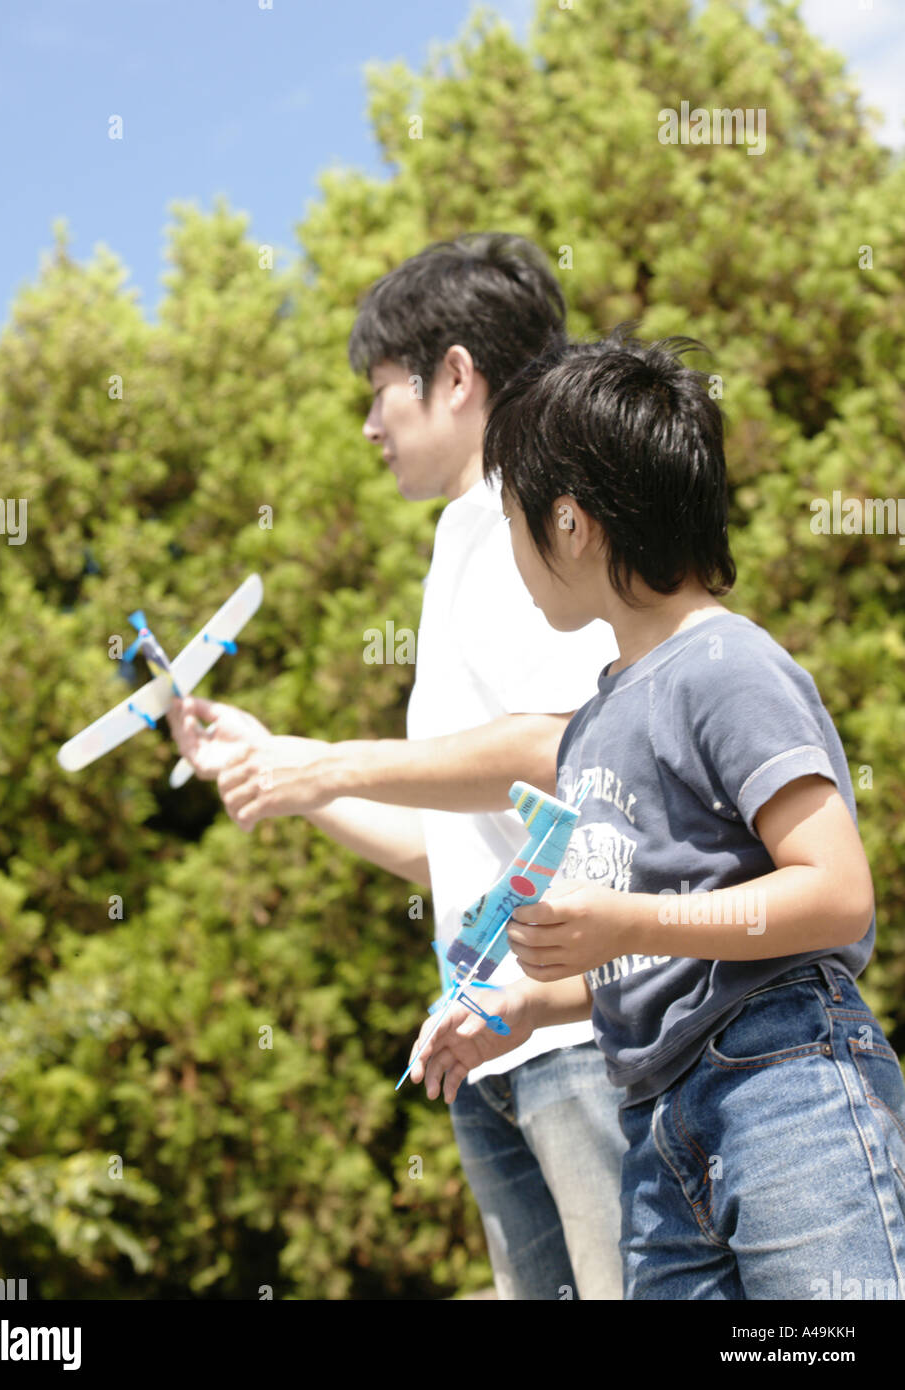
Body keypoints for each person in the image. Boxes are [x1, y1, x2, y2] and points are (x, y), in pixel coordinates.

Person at [167, 235, 625, 1300]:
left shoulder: (528, 525)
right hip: (495, 1054)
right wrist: (283, 775)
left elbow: (574, 752)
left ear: (456, 377)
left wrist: (323, 765)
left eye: (382, 392)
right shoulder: (457, 546)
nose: (370, 425)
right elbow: (459, 850)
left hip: (579, 1038)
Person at [408, 328, 905, 1300]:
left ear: (569, 525)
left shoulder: (729, 666)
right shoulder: (594, 721)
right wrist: (530, 1005)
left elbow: (836, 895)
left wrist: (626, 922)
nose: (514, 553)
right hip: (656, 1121)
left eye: (514, 519)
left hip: (782, 1083)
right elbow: (655, 959)